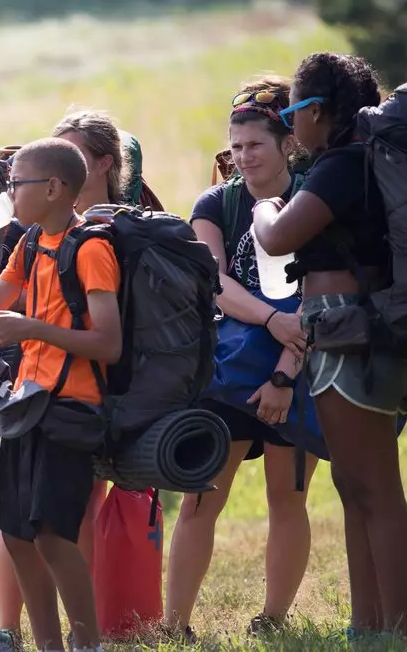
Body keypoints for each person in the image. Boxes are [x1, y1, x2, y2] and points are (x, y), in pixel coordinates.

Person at [253, 53, 407, 638]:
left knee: (374, 487)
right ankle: (370, 627)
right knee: (356, 483)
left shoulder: (341, 164)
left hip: (347, 327)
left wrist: (266, 203)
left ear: (317, 110)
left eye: (292, 112)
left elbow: (279, 236)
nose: (290, 126)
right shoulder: (365, 160)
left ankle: (395, 627)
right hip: (365, 325)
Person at [163, 77, 319, 641]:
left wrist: (284, 372)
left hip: (297, 367)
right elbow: (213, 281)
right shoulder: (216, 202)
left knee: (288, 496)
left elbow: (316, 301)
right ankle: (174, 624)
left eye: (255, 145)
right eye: (235, 146)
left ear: (286, 144)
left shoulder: (312, 197)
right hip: (228, 371)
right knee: (201, 498)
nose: (243, 157)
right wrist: (272, 319)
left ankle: (273, 619)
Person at [0, 137, 120, 652]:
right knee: (16, 533)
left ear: (52, 188)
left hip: (71, 407)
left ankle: (85, 643)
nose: (8, 193)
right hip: (25, 404)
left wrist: (32, 328)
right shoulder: (29, 245)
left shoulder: (91, 249)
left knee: (51, 535)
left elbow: (108, 343)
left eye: (15, 184)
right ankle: (49, 645)